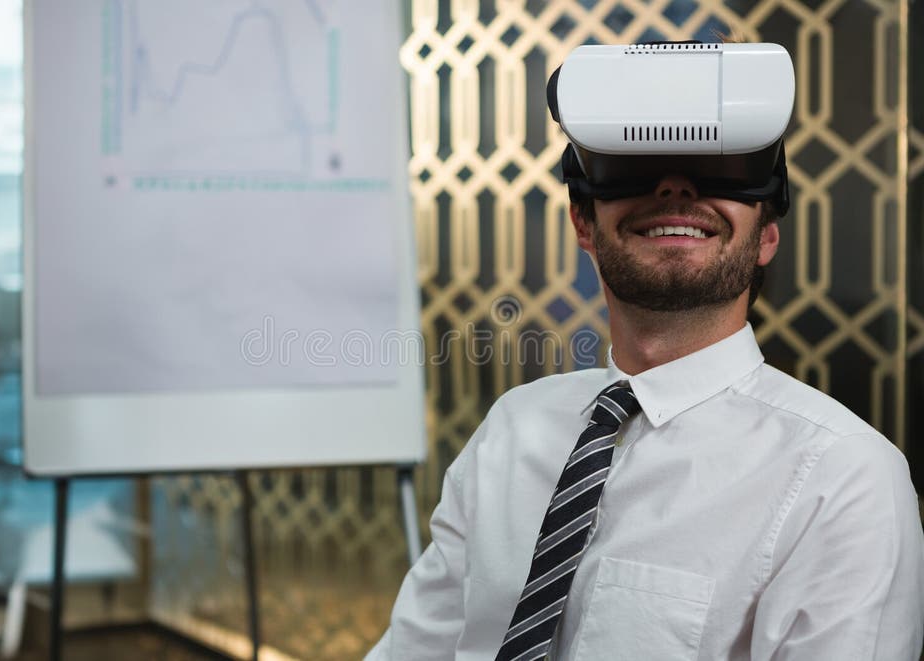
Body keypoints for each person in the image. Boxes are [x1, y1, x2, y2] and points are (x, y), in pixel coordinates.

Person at [366, 44, 924, 660]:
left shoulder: (842, 479)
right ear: (583, 221)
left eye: (720, 167)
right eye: (634, 164)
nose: (674, 187)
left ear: (767, 233)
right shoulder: (512, 431)